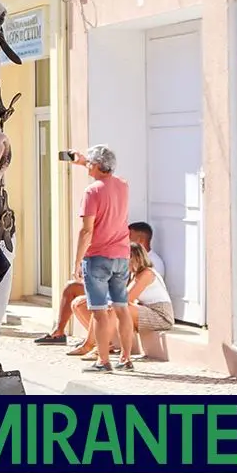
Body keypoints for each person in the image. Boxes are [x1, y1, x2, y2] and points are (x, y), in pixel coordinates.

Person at [69, 144, 132, 372]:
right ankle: (126, 358)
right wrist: (85, 160)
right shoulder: (123, 185)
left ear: (95, 165)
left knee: (98, 310)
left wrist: (77, 261)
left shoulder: (92, 191)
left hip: (97, 257)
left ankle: (103, 360)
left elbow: (86, 230)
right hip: (121, 256)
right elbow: (107, 172)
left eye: (89, 164)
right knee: (121, 308)